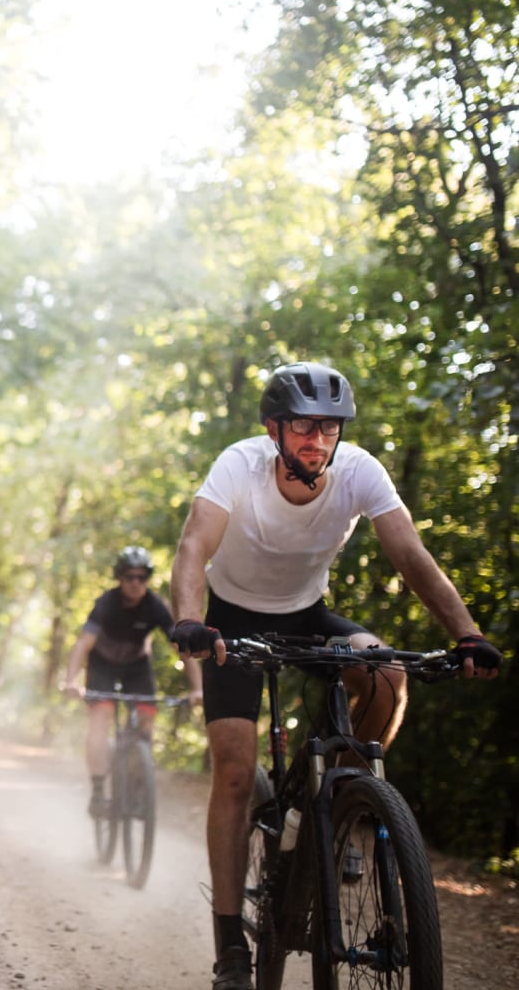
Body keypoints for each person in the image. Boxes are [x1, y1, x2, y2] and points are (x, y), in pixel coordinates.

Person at [168, 361, 502, 990]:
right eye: (302, 427)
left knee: (383, 675)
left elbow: (411, 556)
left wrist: (467, 633)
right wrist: (191, 622)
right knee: (236, 771)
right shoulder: (238, 465)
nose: (316, 440)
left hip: (307, 612)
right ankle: (229, 949)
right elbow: (193, 547)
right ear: (274, 429)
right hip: (231, 618)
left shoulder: (359, 472)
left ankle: (339, 801)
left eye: (328, 427)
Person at [63, 545, 202, 816]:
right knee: (100, 719)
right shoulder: (106, 603)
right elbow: (83, 645)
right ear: (120, 578)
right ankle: (99, 790)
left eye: (142, 577)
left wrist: (198, 688)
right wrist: (70, 680)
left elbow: (182, 649)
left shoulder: (155, 606)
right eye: (130, 577)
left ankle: (137, 783)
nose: (136, 583)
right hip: (102, 664)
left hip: (136, 667)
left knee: (146, 721)